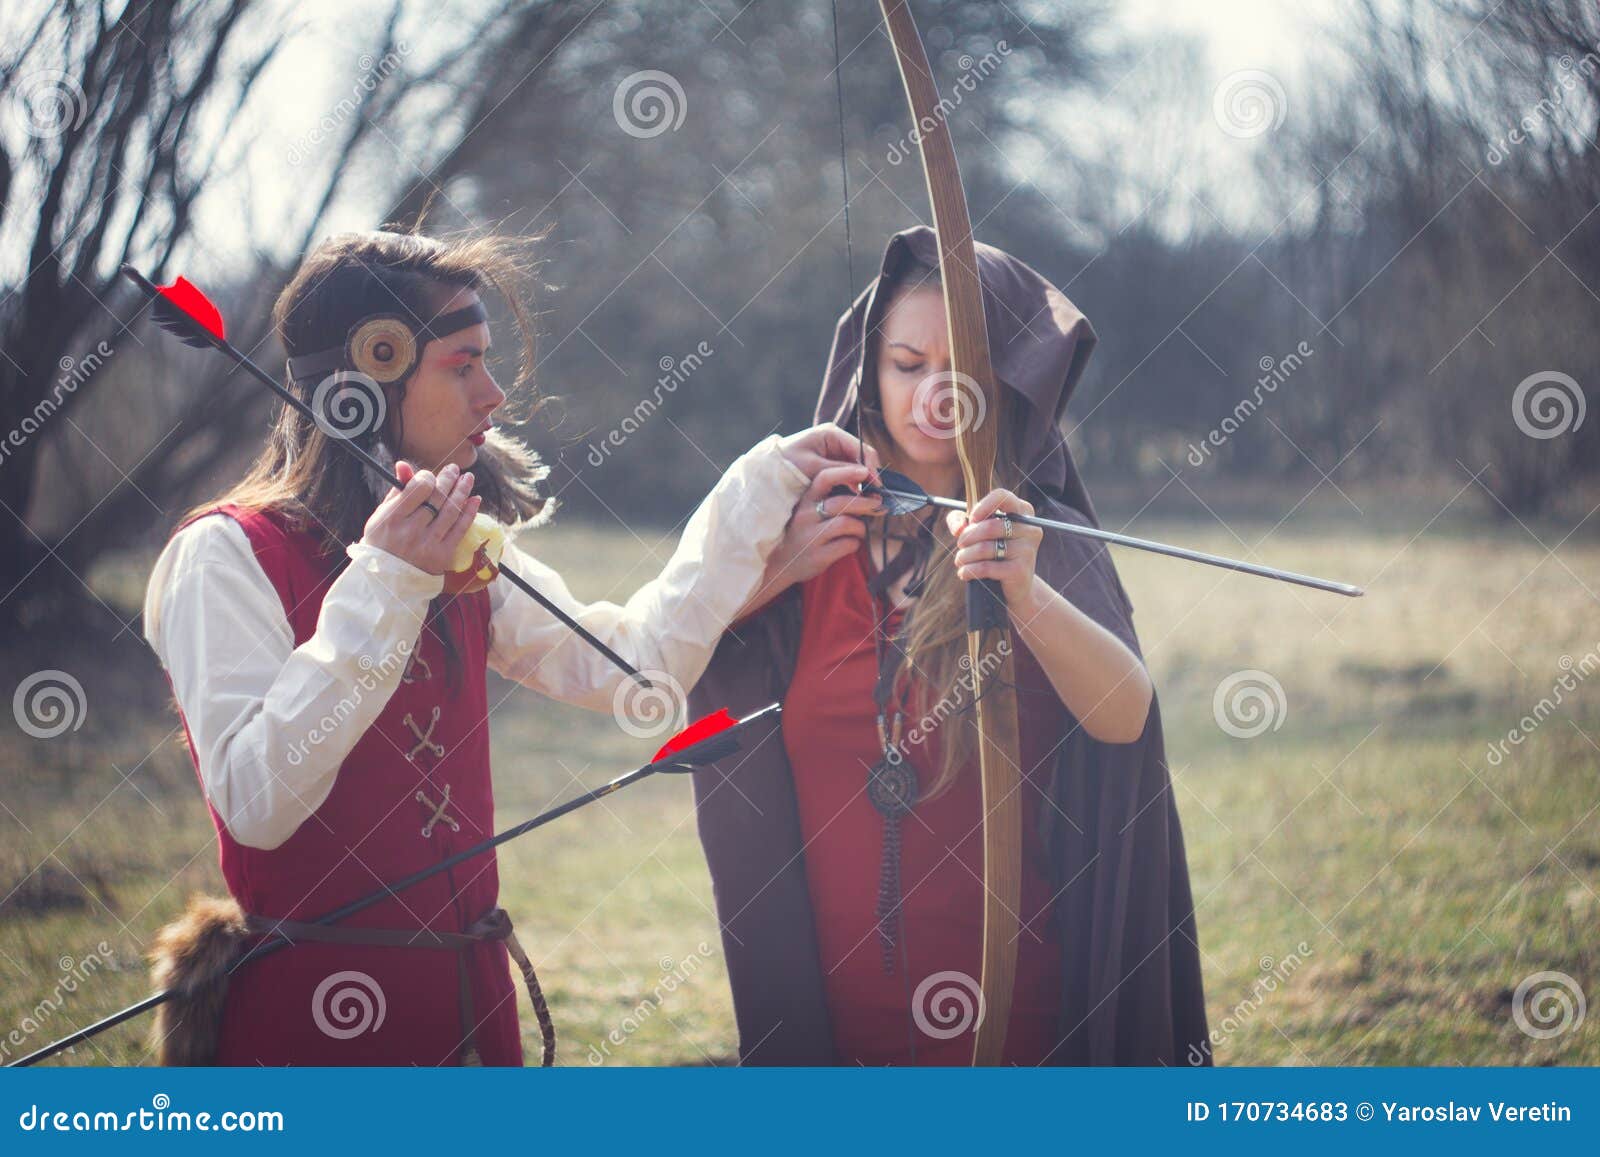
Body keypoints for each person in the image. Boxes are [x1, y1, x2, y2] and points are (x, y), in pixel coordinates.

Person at [141, 228, 876, 1066]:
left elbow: (634, 664)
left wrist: (760, 483)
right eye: (462, 365)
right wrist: (386, 579)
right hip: (310, 1030)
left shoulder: (464, 548)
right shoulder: (225, 555)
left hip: (472, 1012)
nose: (493, 395)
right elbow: (256, 804)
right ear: (372, 371)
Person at [690, 226, 1209, 1065]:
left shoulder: (1046, 537)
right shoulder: (802, 545)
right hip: (836, 1035)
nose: (937, 395)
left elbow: (1126, 719)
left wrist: (1024, 592)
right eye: (908, 364)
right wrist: (771, 574)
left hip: (1020, 1025)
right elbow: (687, 688)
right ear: (869, 370)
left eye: (962, 370)